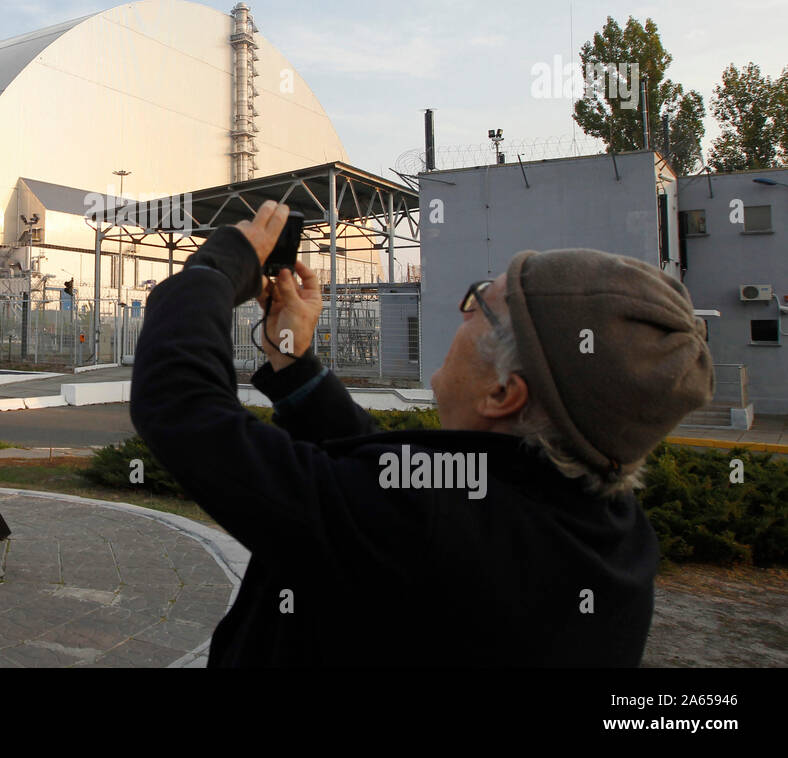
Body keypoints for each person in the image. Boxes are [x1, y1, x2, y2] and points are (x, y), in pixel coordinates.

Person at [129, 200, 714, 666]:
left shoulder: (425, 524)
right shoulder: (610, 534)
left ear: (503, 394)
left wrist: (212, 272)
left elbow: (182, 409)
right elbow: (395, 476)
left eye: (480, 305)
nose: (461, 314)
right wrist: (294, 360)